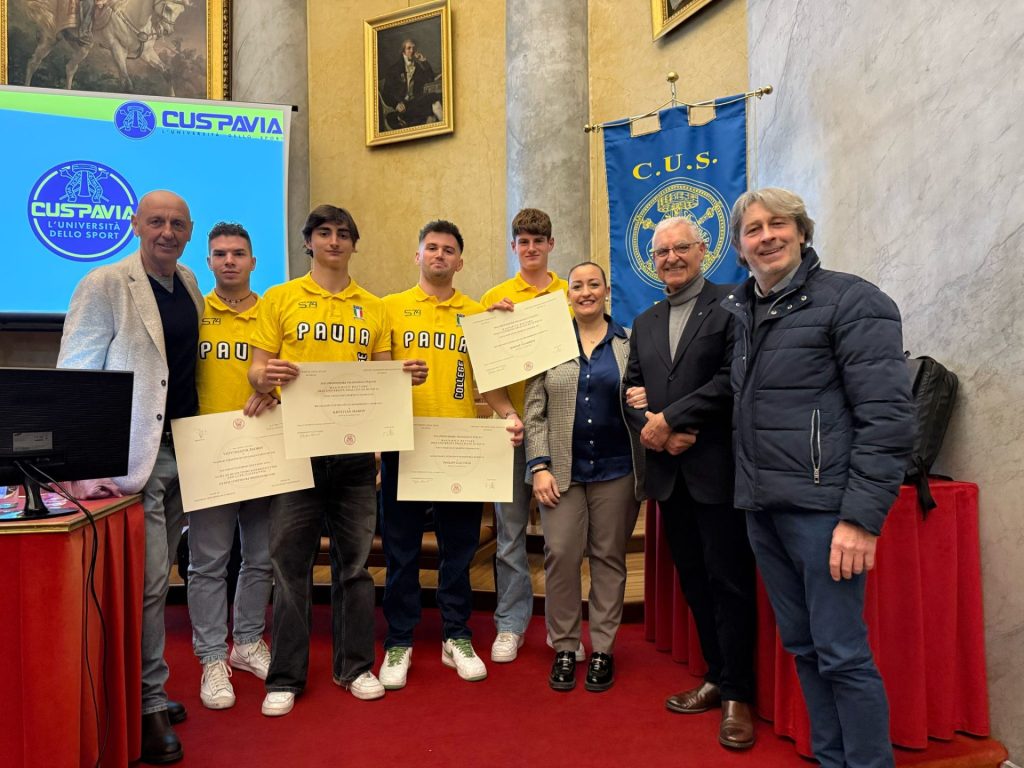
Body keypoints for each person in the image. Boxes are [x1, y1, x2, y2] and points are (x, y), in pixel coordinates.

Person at [724, 188, 914, 768]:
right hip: (764, 510)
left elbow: (887, 419)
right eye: (753, 229)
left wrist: (860, 519)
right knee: (804, 648)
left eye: (778, 224)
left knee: (842, 654)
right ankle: (833, 759)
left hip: (826, 515)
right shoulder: (744, 311)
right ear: (739, 248)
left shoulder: (852, 301)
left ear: (802, 232)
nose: (767, 236)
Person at [247, 205, 427, 717]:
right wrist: (266, 377)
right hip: (295, 451)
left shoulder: (374, 307)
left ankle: (355, 666)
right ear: (309, 241)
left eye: (343, 234)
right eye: (323, 233)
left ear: (353, 244)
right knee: (290, 568)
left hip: (354, 457)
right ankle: (285, 677)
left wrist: (404, 377)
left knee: (355, 567)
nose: (333, 241)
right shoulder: (280, 298)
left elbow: (385, 378)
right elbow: (256, 371)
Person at [58, 189, 202, 764]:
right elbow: (77, 374)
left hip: (186, 450)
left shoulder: (189, 281)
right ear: (135, 223)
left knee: (159, 577)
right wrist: (83, 462)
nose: (167, 232)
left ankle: (145, 687)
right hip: (133, 459)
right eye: (157, 221)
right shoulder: (105, 284)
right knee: (148, 586)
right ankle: (147, 705)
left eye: (178, 224)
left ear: (189, 231)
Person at [622, 216, 757, 749]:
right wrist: (656, 431)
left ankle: (738, 695)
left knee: (729, 582)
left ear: (703, 250)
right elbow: (631, 391)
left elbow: (732, 379)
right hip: (669, 475)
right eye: (662, 252)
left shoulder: (733, 304)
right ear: (652, 261)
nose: (672, 258)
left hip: (715, 471)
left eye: (681, 247)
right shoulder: (645, 321)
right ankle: (716, 676)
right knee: (695, 582)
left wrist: (671, 419)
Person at [377, 220, 524, 689]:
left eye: (448, 250)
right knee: (401, 551)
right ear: (417, 255)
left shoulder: (476, 313)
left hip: (460, 447)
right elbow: (375, 376)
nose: (439, 255)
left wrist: (508, 413)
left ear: (460, 262)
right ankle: (399, 639)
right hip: (405, 445)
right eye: (432, 247)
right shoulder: (389, 308)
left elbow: (490, 380)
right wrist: (397, 376)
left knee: (458, 551)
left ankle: (456, 635)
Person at [523, 261, 643, 693]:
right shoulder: (550, 343)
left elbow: (647, 395)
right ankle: (565, 646)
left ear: (606, 291)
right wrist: (538, 466)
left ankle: (604, 649)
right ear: (567, 294)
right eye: (578, 285)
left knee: (609, 558)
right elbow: (534, 411)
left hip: (617, 470)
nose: (586, 291)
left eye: (594, 284)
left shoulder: (629, 342)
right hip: (561, 471)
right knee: (561, 554)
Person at [186, 222, 278, 711]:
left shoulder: (273, 313)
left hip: (265, 449)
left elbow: (295, 376)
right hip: (209, 452)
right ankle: (210, 658)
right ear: (208, 262)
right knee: (208, 563)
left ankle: (246, 642)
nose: (229, 261)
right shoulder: (194, 312)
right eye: (220, 254)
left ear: (253, 262)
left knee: (260, 556)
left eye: (238, 253)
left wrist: (276, 394)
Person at [480, 208, 570, 664]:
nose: (531, 248)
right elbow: (485, 370)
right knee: (510, 536)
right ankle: (510, 625)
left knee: (560, 540)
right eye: (523, 241)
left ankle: (561, 628)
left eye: (539, 240)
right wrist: (507, 414)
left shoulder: (569, 294)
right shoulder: (494, 298)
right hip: (512, 431)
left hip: (560, 433)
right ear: (513, 247)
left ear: (551, 244)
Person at [380, 37, 443, 129]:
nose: (412, 51)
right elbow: (386, 93)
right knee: (433, 107)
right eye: (409, 48)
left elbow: (430, 79)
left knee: (435, 100)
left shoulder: (417, 67)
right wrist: (396, 104)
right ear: (403, 51)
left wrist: (424, 61)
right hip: (403, 107)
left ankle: (443, 124)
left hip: (416, 103)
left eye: (413, 48)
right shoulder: (394, 69)